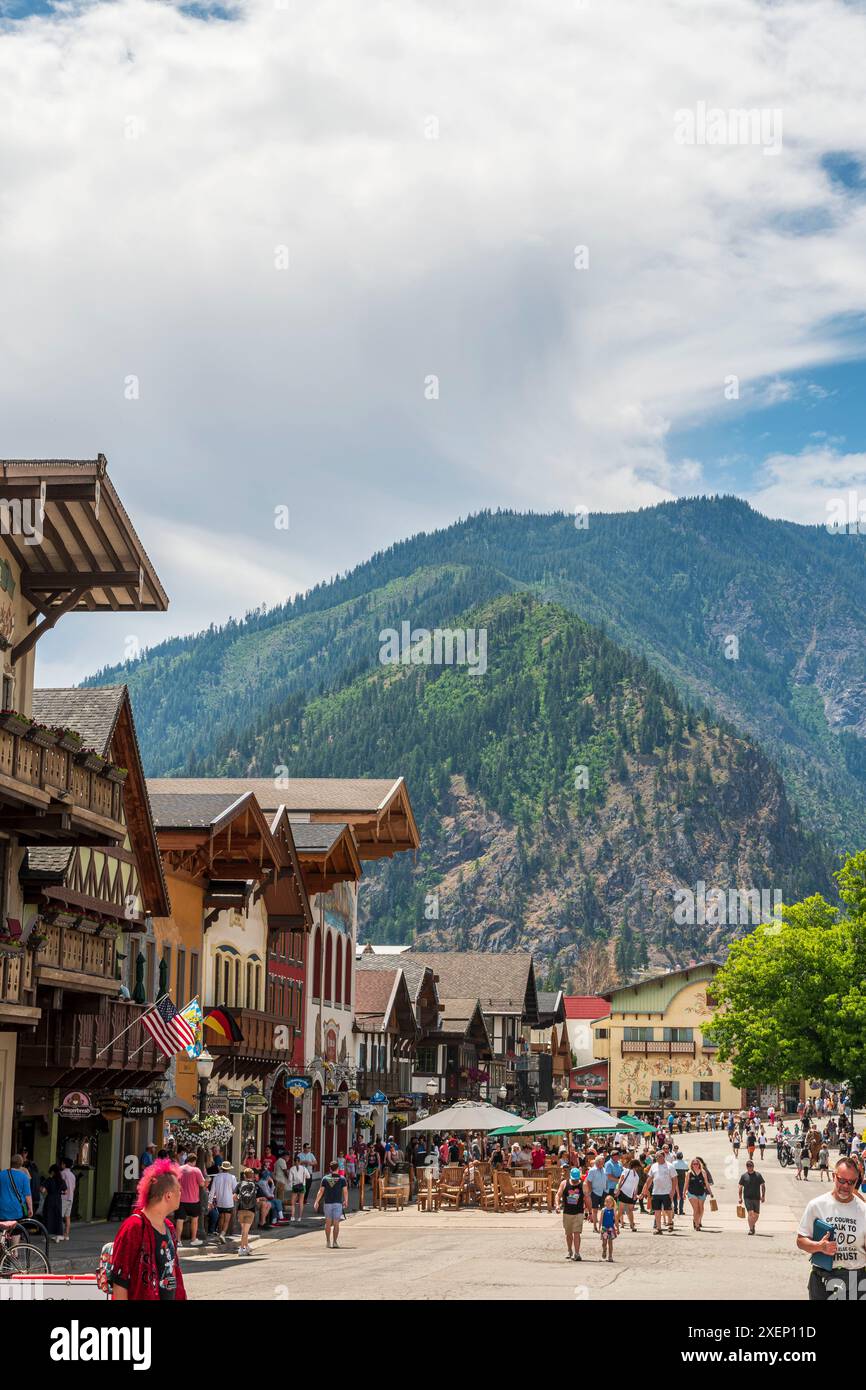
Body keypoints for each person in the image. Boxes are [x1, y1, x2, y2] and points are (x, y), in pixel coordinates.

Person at [110, 1159, 187, 1301]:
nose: (181, 1194)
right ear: (168, 1195)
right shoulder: (134, 1226)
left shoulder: (169, 1227)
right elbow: (120, 1281)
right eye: (179, 1190)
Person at [796, 1157, 866, 1300]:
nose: (846, 1186)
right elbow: (800, 1240)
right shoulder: (816, 1205)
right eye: (841, 1180)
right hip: (822, 1278)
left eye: (851, 1182)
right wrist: (819, 1246)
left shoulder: (863, 1210)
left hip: (854, 1279)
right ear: (834, 1176)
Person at [555, 1166, 588, 1261]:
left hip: (578, 1212)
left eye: (576, 1179)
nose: (574, 1181)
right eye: (573, 1179)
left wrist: (589, 1212)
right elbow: (558, 1194)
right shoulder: (564, 1183)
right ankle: (570, 1250)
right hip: (567, 1212)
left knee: (577, 1233)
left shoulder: (583, 1184)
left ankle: (577, 1253)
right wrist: (557, 1205)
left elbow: (587, 1198)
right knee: (568, 1234)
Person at [314, 1159, 348, 1248]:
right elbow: (345, 1191)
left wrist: (316, 1201)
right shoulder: (342, 1179)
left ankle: (328, 1241)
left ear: (330, 1169)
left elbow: (321, 1191)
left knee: (328, 1223)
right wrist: (346, 1201)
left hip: (327, 1203)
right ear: (338, 1168)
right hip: (337, 1203)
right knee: (336, 1223)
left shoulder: (325, 1178)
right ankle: (335, 1242)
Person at [175, 1153, 207, 1246]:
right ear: (194, 1161)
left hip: (181, 1200)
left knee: (179, 1220)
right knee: (195, 1220)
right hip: (194, 1200)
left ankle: (178, 1240)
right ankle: (193, 1239)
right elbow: (202, 1184)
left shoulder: (179, 1169)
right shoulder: (196, 1170)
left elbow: (175, 1182)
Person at [642, 1150, 675, 1235]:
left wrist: (673, 1191)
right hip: (656, 1192)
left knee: (668, 1210)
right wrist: (644, 1191)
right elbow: (649, 1180)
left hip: (666, 1191)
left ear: (664, 1156)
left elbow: (674, 1179)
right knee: (657, 1211)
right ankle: (658, 1228)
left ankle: (670, 1222)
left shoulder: (670, 1166)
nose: (658, 1158)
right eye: (656, 1157)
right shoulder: (653, 1166)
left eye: (659, 1156)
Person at [210, 1160, 238, 1244]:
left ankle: (219, 1234)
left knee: (221, 1217)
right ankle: (222, 1234)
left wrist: (210, 1201)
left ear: (222, 1168)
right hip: (228, 1201)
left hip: (220, 1201)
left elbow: (212, 1191)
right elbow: (235, 1189)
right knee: (227, 1219)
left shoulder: (216, 1177)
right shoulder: (232, 1177)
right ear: (229, 1169)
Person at [0, 1155, 33, 1224]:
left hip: (2, 1209)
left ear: (11, 1163)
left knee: (2, 1229)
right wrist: (30, 1209)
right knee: (15, 1232)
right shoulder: (24, 1177)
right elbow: (27, 1196)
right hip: (16, 1210)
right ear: (21, 1164)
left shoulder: (1, 1174)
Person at [234, 1167, 258, 1256]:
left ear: (244, 1175)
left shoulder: (240, 1184)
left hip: (241, 1209)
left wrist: (240, 1200)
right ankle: (241, 1248)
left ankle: (246, 1247)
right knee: (245, 1231)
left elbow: (234, 1197)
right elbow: (259, 1199)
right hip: (251, 1210)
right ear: (252, 1175)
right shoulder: (255, 1185)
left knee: (244, 1230)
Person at [685, 1156, 712, 1230]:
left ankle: (696, 1220)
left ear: (699, 1164)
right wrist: (683, 1193)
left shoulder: (703, 1172)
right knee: (696, 1209)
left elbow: (706, 1183)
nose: (695, 1165)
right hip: (692, 1193)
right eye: (694, 1164)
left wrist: (710, 1192)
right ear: (692, 1165)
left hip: (701, 1192)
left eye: (697, 1164)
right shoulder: (689, 1173)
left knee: (701, 1209)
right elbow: (686, 1183)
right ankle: (697, 1225)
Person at [739, 1160, 765, 1235]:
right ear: (746, 1167)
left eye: (751, 1166)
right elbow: (740, 1187)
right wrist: (740, 1198)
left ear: (753, 1166)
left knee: (756, 1215)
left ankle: (752, 1224)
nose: (750, 1167)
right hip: (747, 1198)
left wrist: (763, 1196)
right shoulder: (744, 1176)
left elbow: (763, 1186)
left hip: (756, 1198)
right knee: (750, 1213)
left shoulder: (758, 1175)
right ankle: (751, 1229)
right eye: (748, 1166)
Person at [614, 1159, 641, 1232]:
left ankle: (632, 1225)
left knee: (630, 1211)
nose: (638, 1168)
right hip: (623, 1193)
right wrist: (618, 1189)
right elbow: (620, 1180)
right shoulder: (626, 1171)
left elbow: (636, 1186)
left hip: (631, 1195)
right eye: (638, 1166)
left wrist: (635, 1194)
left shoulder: (637, 1176)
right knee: (620, 1211)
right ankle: (614, 1224)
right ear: (635, 1166)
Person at [586, 1156, 608, 1230]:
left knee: (604, 1210)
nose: (603, 1163)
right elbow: (588, 1181)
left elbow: (606, 1180)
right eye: (602, 1161)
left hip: (603, 1192)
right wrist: (591, 1190)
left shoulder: (604, 1170)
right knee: (595, 1210)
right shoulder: (592, 1170)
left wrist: (606, 1188)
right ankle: (595, 1226)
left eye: (603, 1162)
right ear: (598, 1162)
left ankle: (603, 1226)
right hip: (595, 1192)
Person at [287, 1155, 309, 1223]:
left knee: (293, 1203)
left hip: (295, 1186)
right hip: (302, 1186)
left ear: (294, 1162)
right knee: (301, 1202)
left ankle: (292, 1216)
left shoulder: (292, 1169)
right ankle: (299, 1217)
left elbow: (290, 1179)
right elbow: (308, 1176)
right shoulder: (304, 1168)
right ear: (300, 1162)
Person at [59, 1158, 75, 1241]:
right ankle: (66, 1234)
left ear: (64, 1164)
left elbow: (60, 1185)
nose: (61, 1165)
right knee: (67, 1217)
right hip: (71, 1197)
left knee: (60, 1216)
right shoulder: (72, 1175)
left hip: (63, 1197)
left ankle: (60, 1234)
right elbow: (74, 1187)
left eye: (62, 1163)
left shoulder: (62, 1173)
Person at [600, 1193, 618, 1262]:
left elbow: (616, 1220)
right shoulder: (603, 1210)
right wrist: (599, 1227)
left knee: (610, 1243)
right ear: (605, 1202)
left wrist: (617, 1228)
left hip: (611, 1228)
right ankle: (604, 1250)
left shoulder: (613, 1210)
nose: (608, 1203)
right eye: (606, 1202)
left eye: (609, 1202)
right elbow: (601, 1219)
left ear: (612, 1203)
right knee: (604, 1243)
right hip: (604, 1228)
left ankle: (610, 1256)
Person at [672, 1150, 688, 1216]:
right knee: (681, 1195)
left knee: (675, 1195)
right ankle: (681, 1210)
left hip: (675, 1180)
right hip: (682, 1181)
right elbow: (686, 1171)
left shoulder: (673, 1163)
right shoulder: (685, 1163)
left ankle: (675, 1209)